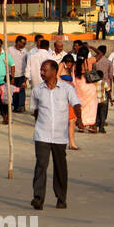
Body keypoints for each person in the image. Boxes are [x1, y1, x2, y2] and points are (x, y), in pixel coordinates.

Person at [30, 59, 81, 210]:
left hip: (60, 135)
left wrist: (80, 119)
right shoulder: (37, 90)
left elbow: (76, 104)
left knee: (60, 167)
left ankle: (61, 198)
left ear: (54, 71)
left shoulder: (66, 88)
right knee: (41, 165)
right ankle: (38, 198)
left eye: (44, 70)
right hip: (42, 134)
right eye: (41, 70)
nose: (41, 73)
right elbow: (35, 110)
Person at [72, 48, 100, 134]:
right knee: (91, 107)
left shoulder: (75, 65)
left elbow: (73, 76)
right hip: (89, 86)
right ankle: (91, 125)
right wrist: (90, 46)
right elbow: (100, 54)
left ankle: (81, 126)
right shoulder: (89, 61)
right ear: (87, 54)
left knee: (81, 106)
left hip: (79, 86)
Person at [7, 35, 28, 114]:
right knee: (13, 91)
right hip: (11, 74)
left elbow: (28, 63)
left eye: (25, 43)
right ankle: (15, 107)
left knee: (21, 91)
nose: (24, 45)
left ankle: (21, 106)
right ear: (18, 42)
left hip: (21, 74)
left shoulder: (26, 51)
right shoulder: (9, 50)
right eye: (23, 43)